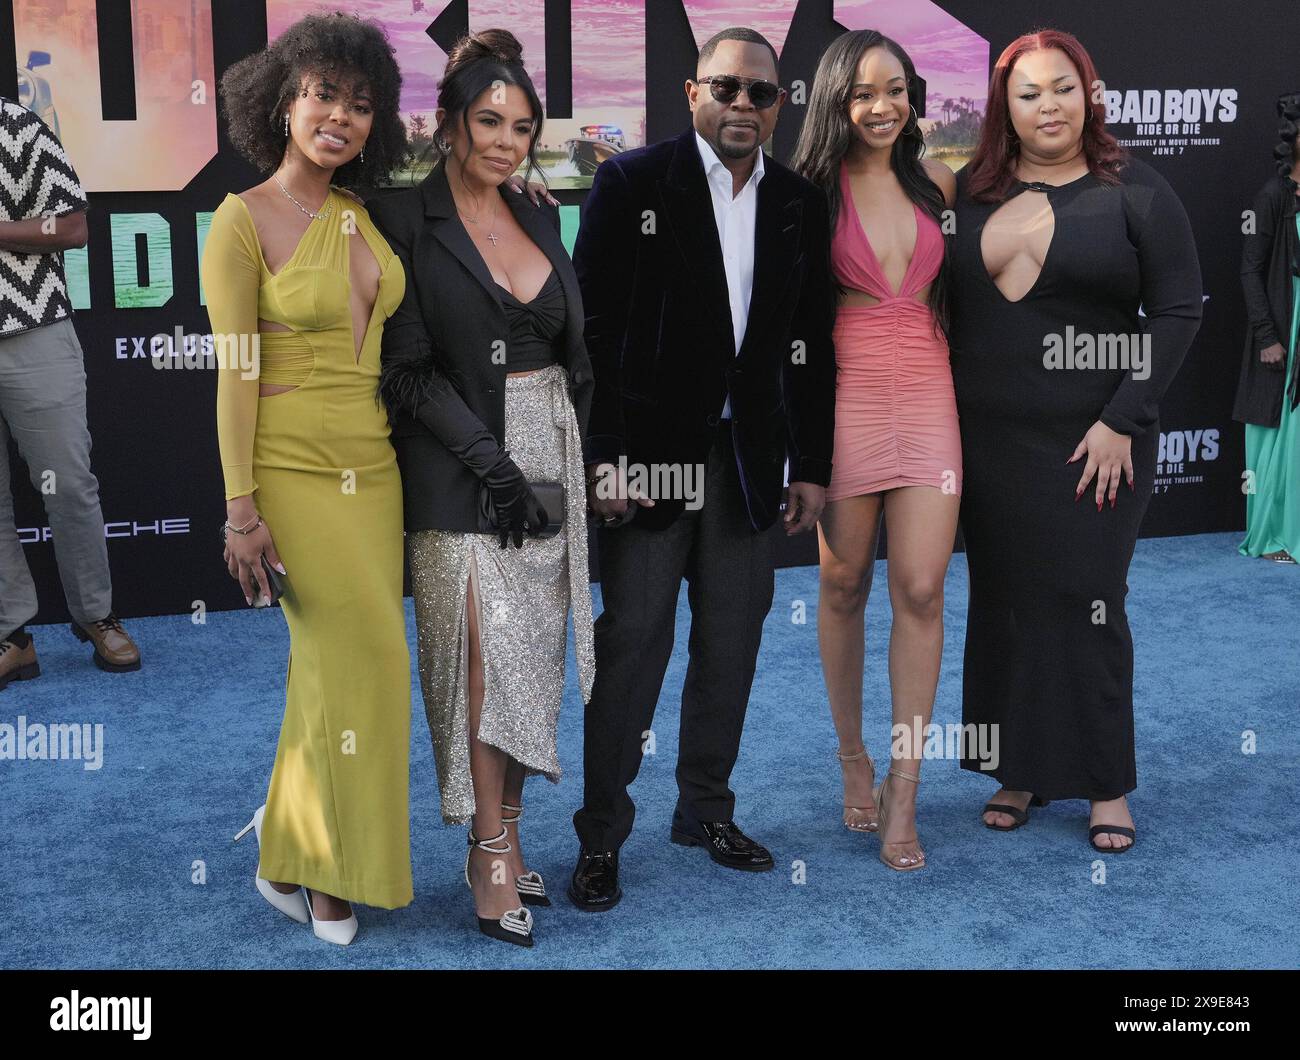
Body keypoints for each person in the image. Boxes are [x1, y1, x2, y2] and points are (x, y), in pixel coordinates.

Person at [568, 27, 836, 911]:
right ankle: (601, 832)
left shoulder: (800, 199)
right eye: (727, 89)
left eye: (761, 94)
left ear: (780, 105)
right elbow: (593, 337)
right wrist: (602, 459)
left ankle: (705, 810)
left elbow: (810, 347)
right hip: (648, 466)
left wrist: (812, 464)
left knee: (733, 646)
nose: (743, 106)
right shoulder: (630, 183)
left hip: (749, 464)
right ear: (692, 94)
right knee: (634, 646)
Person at [948, 29, 1202, 852]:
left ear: (1088, 94)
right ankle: (1014, 770)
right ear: (1005, 107)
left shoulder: (1135, 189)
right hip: (988, 443)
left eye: (1064, 88)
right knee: (1004, 602)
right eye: (1029, 93)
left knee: (1089, 605)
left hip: (1100, 440)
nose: (1048, 105)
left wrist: (1122, 419)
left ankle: (1104, 782)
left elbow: (1178, 311)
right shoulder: (969, 192)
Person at [371, 29, 595, 950]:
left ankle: (503, 831)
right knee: (475, 666)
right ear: (449, 125)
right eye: (488, 121)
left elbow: (569, 349)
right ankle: (491, 849)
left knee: (524, 668)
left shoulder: (539, 211)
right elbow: (409, 374)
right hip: (461, 471)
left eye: (521, 125)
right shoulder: (401, 220)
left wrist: (565, 461)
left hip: (550, 459)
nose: (505, 140)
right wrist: (496, 469)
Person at [207, 12, 413, 945]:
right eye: (324, 94)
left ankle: (283, 853)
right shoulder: (239, 219)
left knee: (324, 677)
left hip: (374, 472)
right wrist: (239, 510)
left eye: (361, 104)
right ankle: (332, 874)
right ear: (282, 100)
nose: (341, 116)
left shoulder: (358, 214)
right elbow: (234, 371)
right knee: (363, 662)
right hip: (289, 473)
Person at [790, 30, 958, 872]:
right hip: (846, 396)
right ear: (835, 102)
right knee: (844, 581)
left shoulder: (939, 183)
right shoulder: (810, 194)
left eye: (895, 89)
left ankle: (905, 784)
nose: (882, 106)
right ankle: (851, 756)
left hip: (930, 393)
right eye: (862, 93)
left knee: (922, 589)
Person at [0, 95, 141, 689]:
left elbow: (74, 225)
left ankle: (95, 616)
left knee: (68, 481)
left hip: (31, 328)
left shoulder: (14, 123)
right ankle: (13, 638)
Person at [1235, 90, 1300, 563]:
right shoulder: (1272, 196)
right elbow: (1250, 271)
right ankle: (1274, 536)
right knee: (1274, 434)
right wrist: (1268, 336)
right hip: (1284, 327)